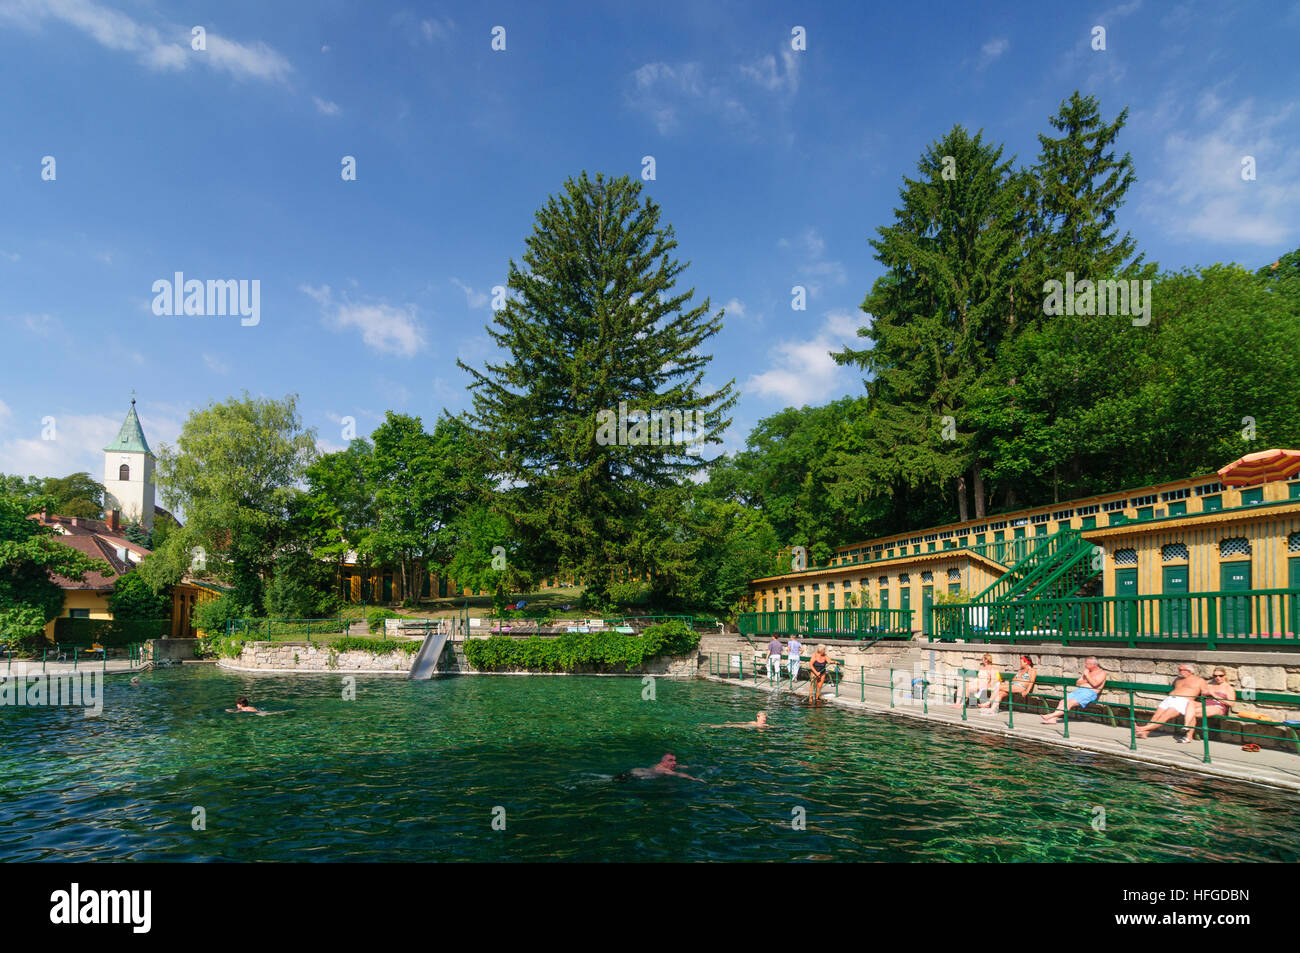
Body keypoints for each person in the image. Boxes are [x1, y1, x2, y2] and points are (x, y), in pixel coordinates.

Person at [1136, 663, 1211, 743]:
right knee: (1156, 716)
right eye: (1179, 669)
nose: (1179, 671)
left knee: (1164, 716)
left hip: (1183, 701)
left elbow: (1205, 693)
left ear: (1189, 671)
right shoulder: (1178, 679)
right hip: (1170, 699)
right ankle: (1145, 733)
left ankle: (1142, 728)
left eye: (1181, 670)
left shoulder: (1199, 681)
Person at [1041, 657, 1108, 723]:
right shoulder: (1087, 671)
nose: (1085, 665)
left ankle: (1051, 715)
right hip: (1079, 691)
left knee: (1069, 703)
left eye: (1087, 664)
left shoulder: (1101, 673)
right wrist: (1088, 680)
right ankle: (1053, 719)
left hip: (1089, 692)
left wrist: (1087, 675)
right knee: (1063, 701)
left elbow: (1095, 684)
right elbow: (1078, 683)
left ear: (1094, 665)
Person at [620, 753, 702, 781]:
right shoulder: (663, 769)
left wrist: (694, 767)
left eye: (675, 760)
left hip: (636, 771)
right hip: (634, 776)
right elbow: (677, 774)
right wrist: (694, 779)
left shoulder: (660, 765)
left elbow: (679, 766)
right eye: (670, 760)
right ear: (663, 762)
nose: (674, 763)